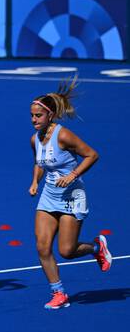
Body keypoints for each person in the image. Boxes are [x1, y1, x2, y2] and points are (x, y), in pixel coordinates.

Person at [29, 81, 112, 309]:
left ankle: (97, 248)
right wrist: (35, 181)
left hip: (72, 195)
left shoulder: (63, 136)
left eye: (38, 116)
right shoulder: (34, 139)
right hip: (48, 196)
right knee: (42, 247)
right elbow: (39, 162)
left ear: (51, 115)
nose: (34, 120)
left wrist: (73, 174)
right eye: (32, 116)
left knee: (66, 250)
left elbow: (92, 155)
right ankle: (59, 294)